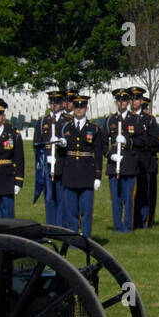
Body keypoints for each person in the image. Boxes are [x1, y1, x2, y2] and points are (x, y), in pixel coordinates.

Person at [56, 93, 104, 236]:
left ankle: (86, 238)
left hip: (86, 173)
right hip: (70, 173)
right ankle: (73, 238)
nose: (78, 109)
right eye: (76, 106)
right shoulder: (66, 128)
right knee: (71, 210)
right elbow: (61, 154)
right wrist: (61, 146)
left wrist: (98, 176)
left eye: (81, 106)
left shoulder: (94, 128)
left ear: (86, 108)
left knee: (86, 210)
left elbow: (98, 153)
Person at [104, 88, 139, 233]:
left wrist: (127, 141)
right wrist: (110, 154)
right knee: (115, 198)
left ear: (128, 102)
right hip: (114, 164)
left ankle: (128, 226)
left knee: (128, 198)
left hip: (129, 164)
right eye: (118, 100)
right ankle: (118, 226)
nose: (121, 103)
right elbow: (103, 142)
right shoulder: (110, 120)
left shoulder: (135, 119)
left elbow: (142, 140)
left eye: (124, 100)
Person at [34, 90, 70, 227]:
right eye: (51, 102)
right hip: (47, 165)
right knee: (49, 198)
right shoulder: (42, 121)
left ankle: (61, 226)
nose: (53, 105)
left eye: (57, 102)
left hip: (62, 163)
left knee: (62, 198)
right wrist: (45, 157)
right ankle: (51, 226)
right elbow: (37, 144)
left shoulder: (68, 120)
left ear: (62, 104)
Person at [129, 86, 159, 228]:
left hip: (145, 162)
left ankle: (144, 222)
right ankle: (131, 221)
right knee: (130, 195)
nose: (134, 101)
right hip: (129, 163)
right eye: (131, 98)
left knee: (144, 194)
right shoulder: (124, 118)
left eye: (137, 98)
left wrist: (138, 142)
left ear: (141, 100)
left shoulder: (149, 120)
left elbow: (157, 142)